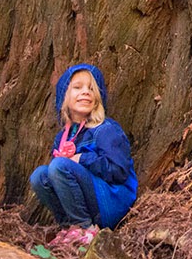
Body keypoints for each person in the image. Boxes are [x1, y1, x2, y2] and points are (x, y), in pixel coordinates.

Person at [29, 63, 138, 248]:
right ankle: (70, 227)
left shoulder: (105, 129)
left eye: (91, 88)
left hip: (110, 200)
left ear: (98, 98)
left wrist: (82, 159)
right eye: (77, 87)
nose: (85, 92)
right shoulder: (63, 137)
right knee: (40, 176)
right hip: (87, 202)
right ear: (64, 96)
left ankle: (86, 229)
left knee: (59, 166)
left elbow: (119, 171)